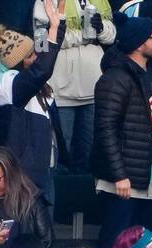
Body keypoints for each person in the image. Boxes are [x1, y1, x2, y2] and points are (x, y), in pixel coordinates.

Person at [93, 18, 152, 248]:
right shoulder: (115, 77)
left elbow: (142, 116)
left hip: (151, 171)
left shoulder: (150, 72)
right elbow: (105, 128)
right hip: (125, 178)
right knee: (115, 241)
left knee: (146, 243)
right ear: (139, 44)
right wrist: (119, 175)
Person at [0, 4, 66, 203]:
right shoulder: (9, 86)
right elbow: (43, 68)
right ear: (17, 63)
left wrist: (59, 18)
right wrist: (53, 28)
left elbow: (46, 55)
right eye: (30, 56)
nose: (36, 56)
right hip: (23, 174)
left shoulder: (34, 79)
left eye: (34, 51)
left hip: (45, 166)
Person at [32, 0, 115, 174]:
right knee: (61, 157)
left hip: (93, 87)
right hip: (61, 92)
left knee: (89, 156)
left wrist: (101, 28)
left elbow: (112, 35)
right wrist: (85, 36)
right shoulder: (45, 2)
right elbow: (41, 42)